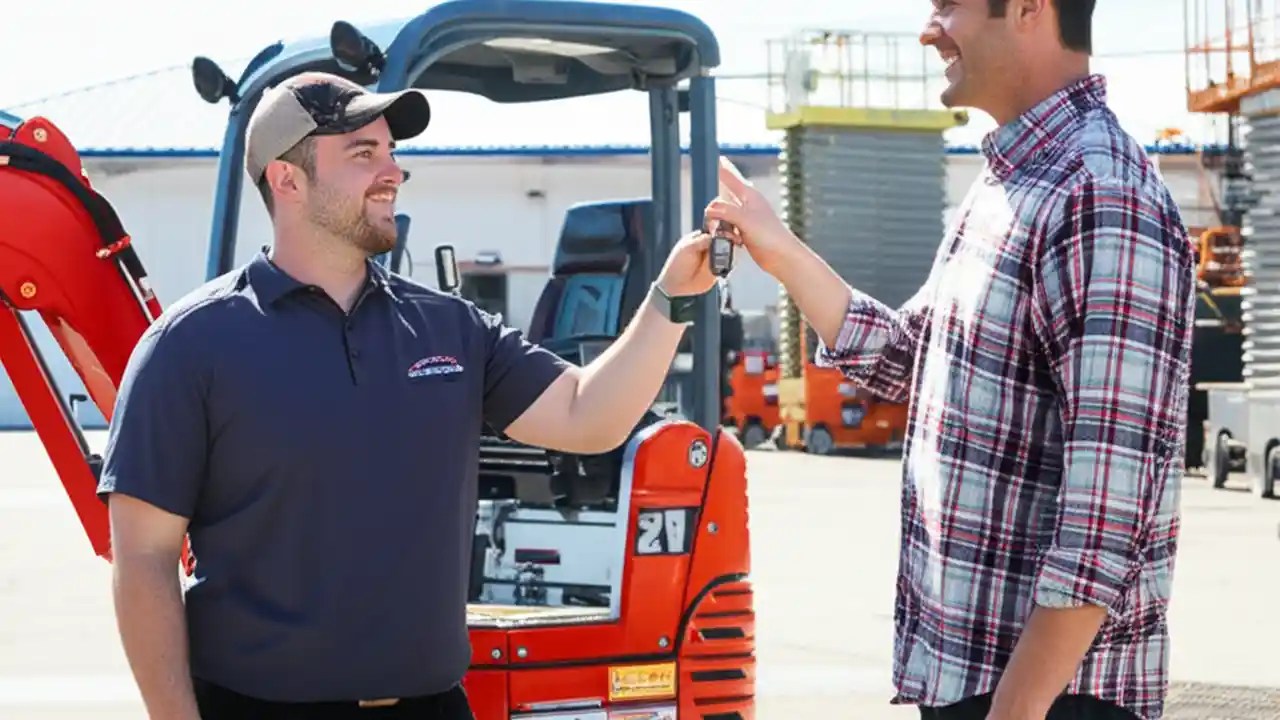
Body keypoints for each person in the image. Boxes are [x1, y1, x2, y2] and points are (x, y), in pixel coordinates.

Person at [97, 71, 723, 720]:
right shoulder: (190, 346)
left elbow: (588, 416)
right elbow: (144, 560)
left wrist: (668, 300)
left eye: (391, 151)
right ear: (287, 179)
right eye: (363, 154)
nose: (393, 170)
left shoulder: (449, 327)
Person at [705, 2, 1194, 719]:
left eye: (948, 4)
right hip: (980, 683)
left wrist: (1015, 709)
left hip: (1049, 698)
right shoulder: (1006, 185)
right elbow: (910, 359)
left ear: (1028, 8)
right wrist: (779, 251)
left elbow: (1108, 509)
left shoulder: (1100, 193)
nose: (929, 28)